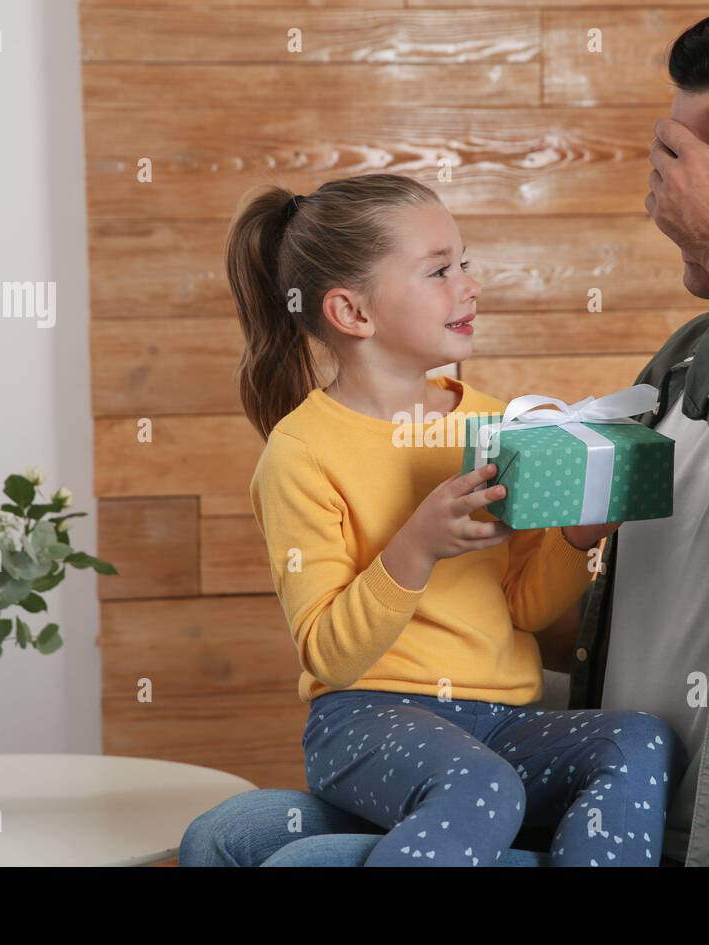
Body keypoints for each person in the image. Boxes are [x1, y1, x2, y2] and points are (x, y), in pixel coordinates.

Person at [183, 0, 709, 866]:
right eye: (671, 153)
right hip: (594, 804)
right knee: (229, 836)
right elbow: (547, 616)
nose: (672, 189)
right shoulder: (692, 359)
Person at [182, 171, 682, 867]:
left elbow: (523, 609)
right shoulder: (301, 454)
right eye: (440, 271)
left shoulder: (493, 422)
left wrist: (577, 537)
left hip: (505, 723)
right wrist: (415, 546)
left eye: (465, 264)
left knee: (639, 738)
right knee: (480, 785)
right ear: (353, 313)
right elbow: (328, 651)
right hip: (366, 722)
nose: (470, 285)